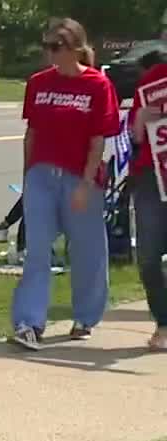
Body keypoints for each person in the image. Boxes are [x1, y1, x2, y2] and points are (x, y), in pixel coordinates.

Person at [10, 18, 119, 350]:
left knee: (86, 252)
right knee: (37, 249)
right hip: (42, 175)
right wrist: (27, 176)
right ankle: (29, 323)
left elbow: (98, 140)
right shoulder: (39, 83)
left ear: (74, 48)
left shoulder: (98, 85)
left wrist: (86, 183)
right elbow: (33, 133)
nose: (49, 53)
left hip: (79, 177)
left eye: (55, 47)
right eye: (46, 46)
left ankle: (85, 316)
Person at [127, 37, 167, 351]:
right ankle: (163, 323)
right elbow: (135, 134)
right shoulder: (153, 79)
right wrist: (141, 119)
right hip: (151, 175)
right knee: (149, 257)